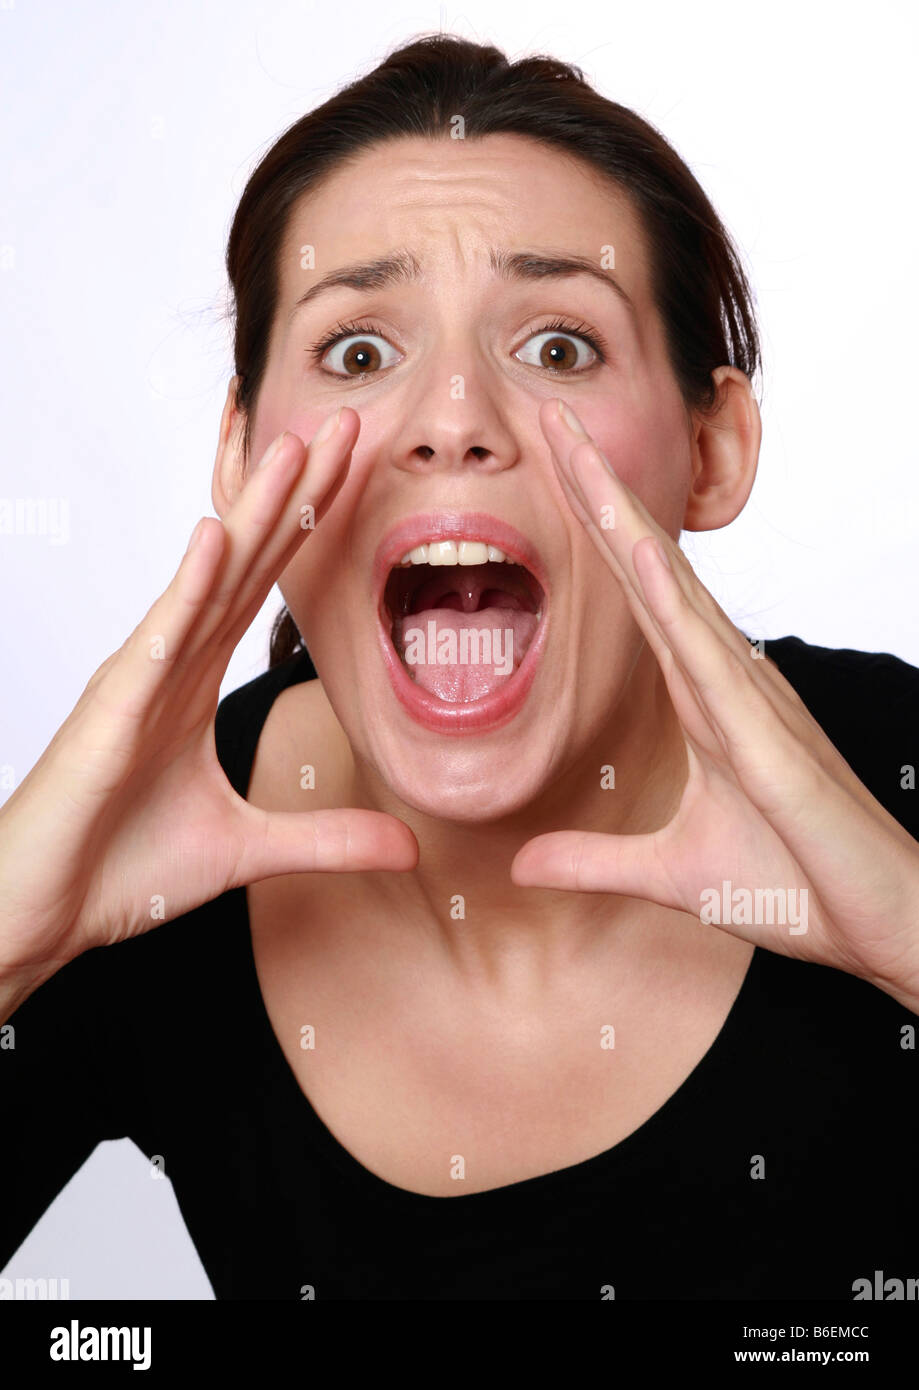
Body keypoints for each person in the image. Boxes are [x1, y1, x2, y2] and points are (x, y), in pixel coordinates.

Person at [2, 33, 917, 1302]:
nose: (451, 419)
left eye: (557, 347)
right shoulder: (141, 867)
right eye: (359, 353)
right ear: (239, 448)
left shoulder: (897, 777)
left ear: (711, 448)